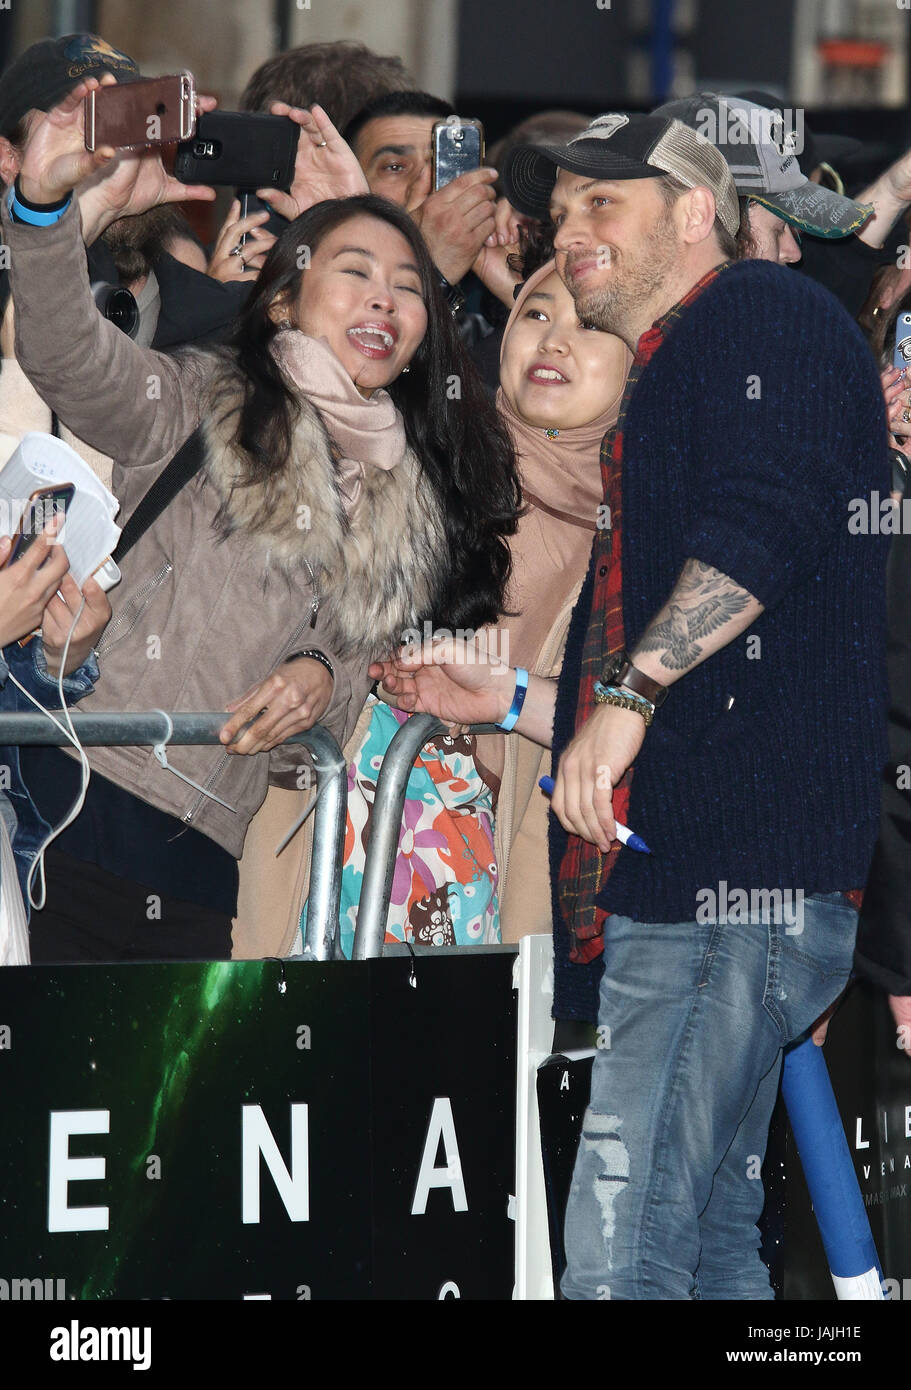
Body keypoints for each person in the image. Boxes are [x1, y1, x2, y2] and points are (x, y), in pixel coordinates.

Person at [376, 111, 889, 1299]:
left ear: (694, 213)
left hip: (726, 876)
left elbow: (763, 522)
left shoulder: (758, 315)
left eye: (606, 203)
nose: (570, 231)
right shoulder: (678, 370)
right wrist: (536, 698)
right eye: (559, 212)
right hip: (711, 878)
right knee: (699, 1244)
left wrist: (625, 693)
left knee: (620, 1251)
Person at [3, 78, 519, 965]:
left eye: (407, 289)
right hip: (70, 809)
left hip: (206, 866)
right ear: (284, 299)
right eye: (353, 272)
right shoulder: (204, 392)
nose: (385, 300)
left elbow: (356, 663)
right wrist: (44, 208)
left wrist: (321, 674)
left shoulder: (407, 496)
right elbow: (68, 356)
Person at [293, 259, 631, 959]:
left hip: (509, 870)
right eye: (535, 314)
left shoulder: (648, 538)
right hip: (355, 815)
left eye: (591, 326)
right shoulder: (414, 456)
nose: (553, 341)